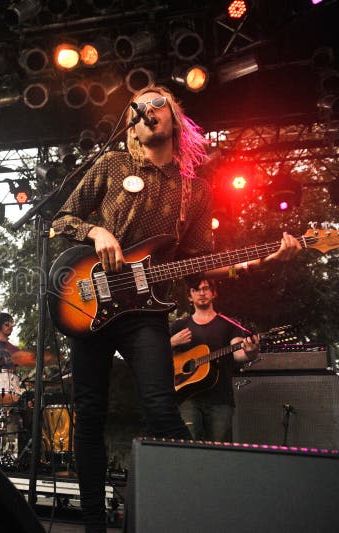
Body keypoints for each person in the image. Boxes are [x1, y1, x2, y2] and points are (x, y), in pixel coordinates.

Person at [51, 85, 300, 532]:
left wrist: (265, 259)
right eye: (139, 106)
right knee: (90, 413)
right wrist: (96, 233)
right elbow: (61, 220)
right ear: (132, 121)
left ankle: (193, 509)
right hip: (89, 306)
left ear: (174, 118)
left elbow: (201, 263)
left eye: (156, 103)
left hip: (146, 313)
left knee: (162, 408)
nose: (147, 110)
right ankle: (92, 525)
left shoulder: (194, 191)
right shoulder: (111, 164)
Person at [170, 277, 258, 441]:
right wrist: (173, 342)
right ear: (190, 296)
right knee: (189, 446)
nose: (201, 293)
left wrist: (251, 352)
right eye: (196, 289)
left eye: (206, 288)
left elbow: (239, 352)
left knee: (219, 451)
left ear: (214, 293)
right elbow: (158, 354)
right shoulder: (179, 326)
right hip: (187, 398)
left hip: (220, 400)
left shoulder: (228, 324)